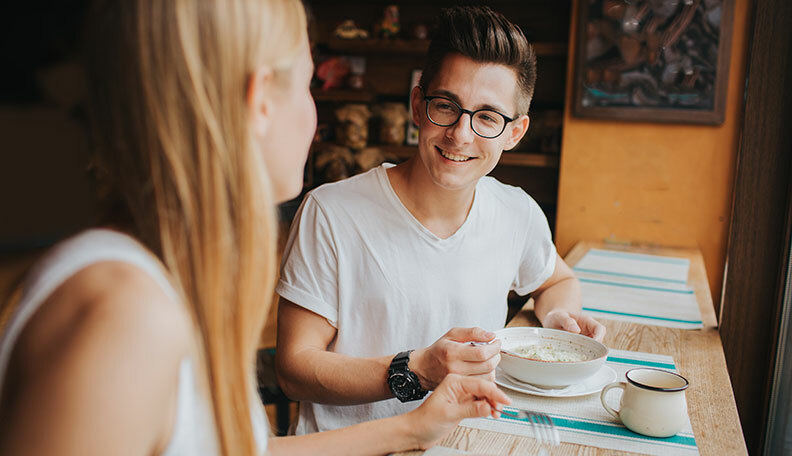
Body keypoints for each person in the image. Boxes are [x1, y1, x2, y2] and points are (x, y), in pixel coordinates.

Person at [0, 1, 510, 455]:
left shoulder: (167, 281)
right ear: (261, 98)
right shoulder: (125, 316)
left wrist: (412, 429)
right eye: (309, 86)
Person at [275, 5, 607, 435]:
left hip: (470, 443)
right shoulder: (331, 212)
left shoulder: (516, 212)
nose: (460, 135)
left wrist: (558, 317)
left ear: (515, 133)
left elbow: (556, 280)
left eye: (487, 116)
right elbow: (294, 369)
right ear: (417, 106)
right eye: (447, 106)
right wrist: (415, 370)